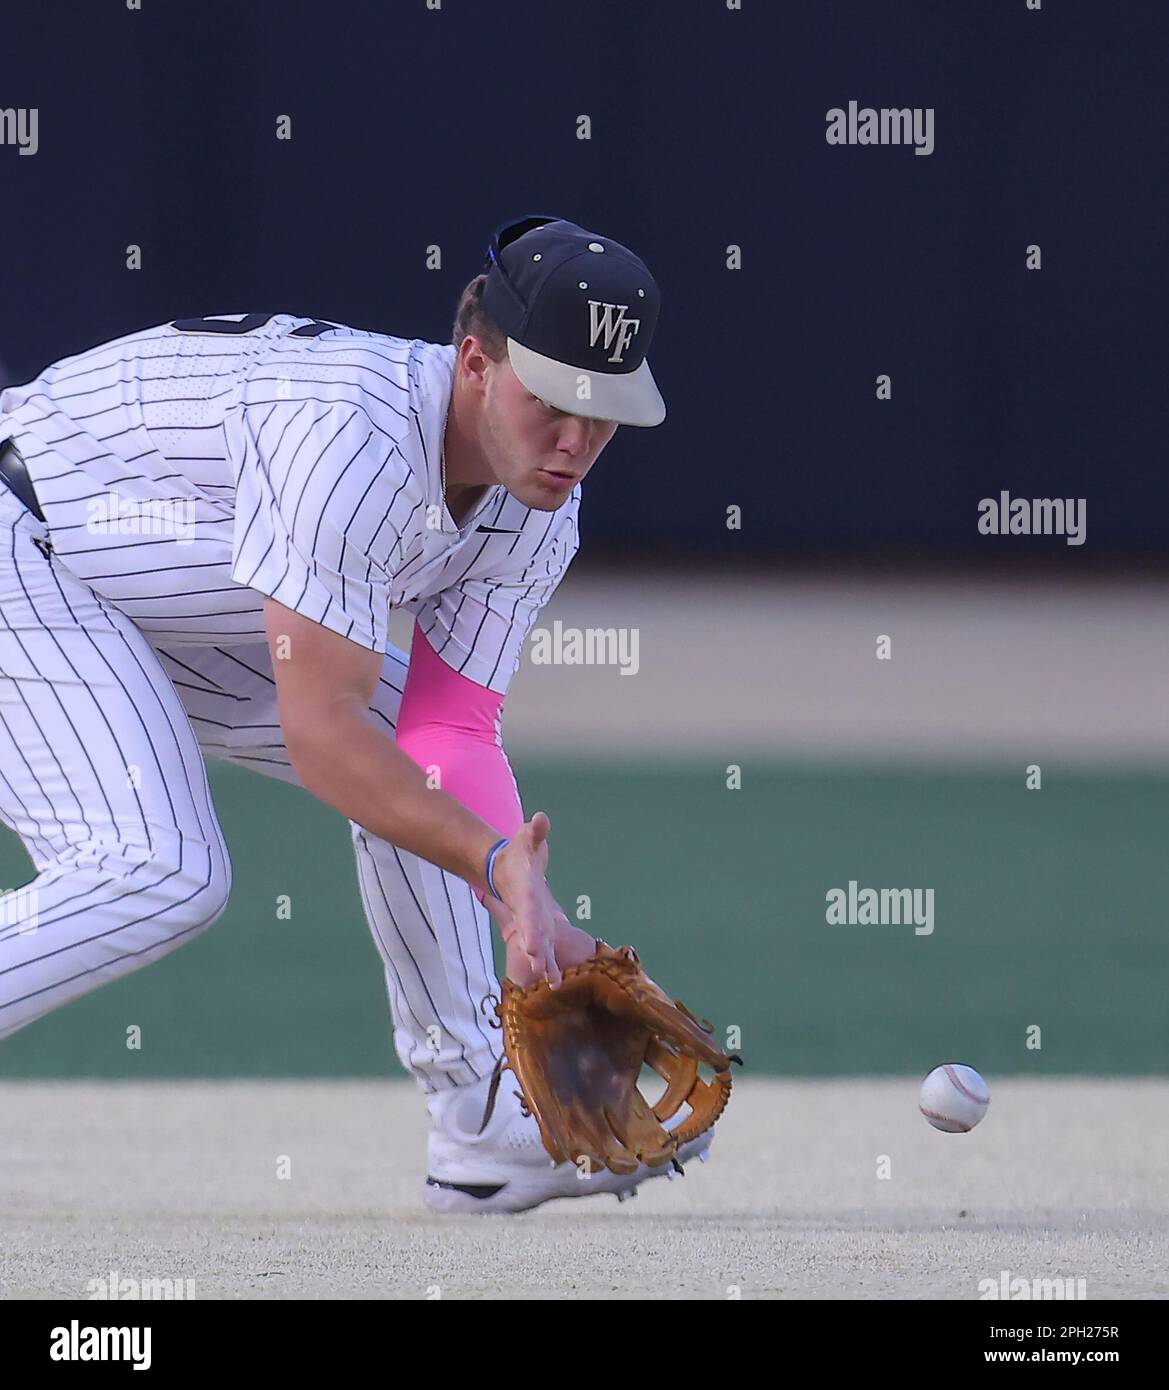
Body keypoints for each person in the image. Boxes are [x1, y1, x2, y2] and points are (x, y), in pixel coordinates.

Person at [0, 214, 701, 1213]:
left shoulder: (535, 503)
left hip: (136, 596)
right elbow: (322, 736)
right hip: (24, 546)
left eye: (604, 413)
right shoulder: (353, 436)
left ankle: (479, 1122)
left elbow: (444, 739)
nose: (576, 441)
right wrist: (496, 866)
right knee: (159, 867)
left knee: (414, 778)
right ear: (474, 362)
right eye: (553, 401)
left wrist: (526, 904)